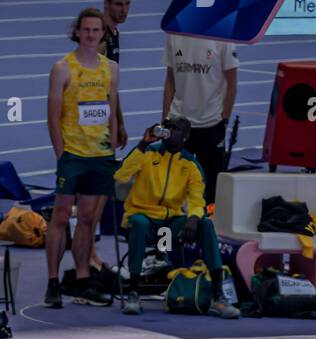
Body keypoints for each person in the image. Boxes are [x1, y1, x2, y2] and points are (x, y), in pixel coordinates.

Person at [113, 118, 239, 318]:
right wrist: (143, 143)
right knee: (139, 222)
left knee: (205, 224)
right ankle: (133, 293)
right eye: (168, 127)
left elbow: (198, 200)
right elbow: (120, 175)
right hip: (144, 219)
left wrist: (194, 218)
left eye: (176, 129)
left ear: (186, 136)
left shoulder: (190, 164)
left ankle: (218, 295)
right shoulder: (147, 152)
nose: (171, 131)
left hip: (168, 228)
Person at [45, 8, 121, 308]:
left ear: (103, 34)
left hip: (100, 154)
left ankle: (82, 279)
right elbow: (52, 116)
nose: (91, 35)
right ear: (77, 32)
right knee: (61, 216)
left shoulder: (111, 69)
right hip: (73, 154)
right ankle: (52, 282)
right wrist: (61, 153)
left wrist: (113, 140)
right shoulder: (62, 68)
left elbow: (111, 107)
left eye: (96, 30)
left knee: (89, 218)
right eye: (86, 30)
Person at [162, 32, 237, 206]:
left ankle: (207, 228)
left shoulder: (223, 38)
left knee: (211, 193)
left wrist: (224, 118)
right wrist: (165, 117)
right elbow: (170, 80)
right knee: (171, 188)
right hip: (179, 122)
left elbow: (232, 83)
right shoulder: (174, 35)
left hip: (210, 124)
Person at [100, 0, 130, 148]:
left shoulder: (114, 33)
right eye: (118, 4)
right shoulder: (101, 37)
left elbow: (112, 85)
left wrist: (120, 123)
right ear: (106, 3)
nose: (124, 10)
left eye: (127, 4)